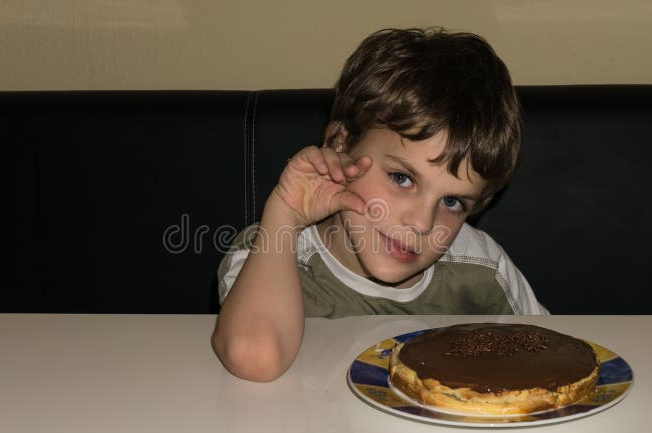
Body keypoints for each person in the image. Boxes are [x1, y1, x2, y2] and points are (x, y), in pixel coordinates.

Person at [212, 27, 548, 382]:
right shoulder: (272, 252)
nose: (421, 222)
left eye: (452, 201)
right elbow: (255, 358)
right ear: (340, 144)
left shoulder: (482, 269)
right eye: (402, 178)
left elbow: (550, 360)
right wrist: (283, 213)